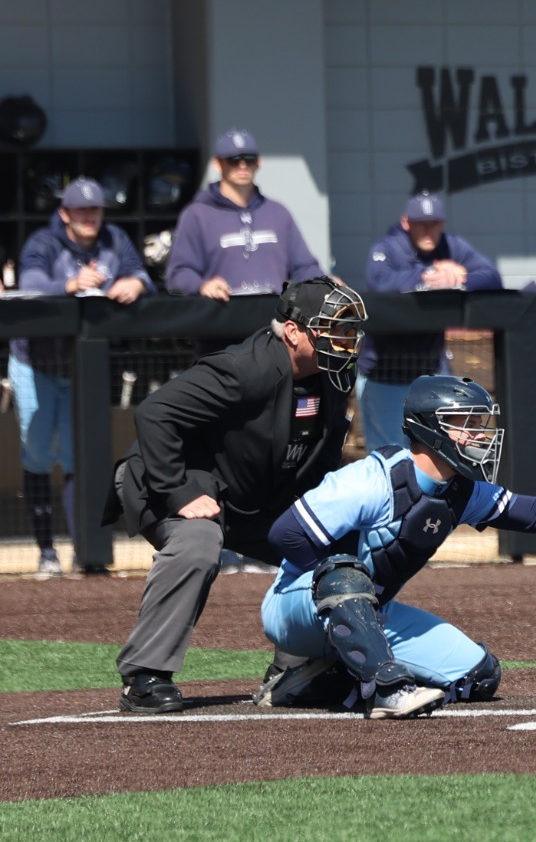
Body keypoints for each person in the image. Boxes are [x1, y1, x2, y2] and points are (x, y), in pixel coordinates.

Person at [254, 376, 536, 718]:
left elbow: (534, 513)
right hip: (295, 606)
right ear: (429, 428)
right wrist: (338, 582)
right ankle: (387, 691)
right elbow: (284, 533)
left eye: (481, 423)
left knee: (479, 676)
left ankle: (310, 683)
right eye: (466, 423)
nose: (480, 433)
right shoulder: (371, 479)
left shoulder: (461, 491)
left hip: (372, 614)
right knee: (346, 576)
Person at [106, 277, 367, 713]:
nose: (345, 340)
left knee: (337, 549)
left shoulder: (336, 375)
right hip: (170, 480)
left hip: (250, 495)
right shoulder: (246, 367)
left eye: (349, 330)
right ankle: (144, 677)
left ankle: (298, 667)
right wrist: (178, 491)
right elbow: (155, 414)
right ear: (293, 331)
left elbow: (317, 458)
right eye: (333, 328)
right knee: (199, 543)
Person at [11, 177, 153, 577]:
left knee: (80, 457)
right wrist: (70, 284)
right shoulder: (44, 241)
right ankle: (45, 552)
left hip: (79, 368)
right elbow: (31, 283)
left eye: (95, 209)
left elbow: (142, 272)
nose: (90, 217)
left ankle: (86, 553)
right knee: (38, 454)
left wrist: (134, 281)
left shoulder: (114, 239)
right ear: (65, 213)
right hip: (35, 362)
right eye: (81, 210)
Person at [358, 192, 502, 452]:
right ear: (406, 222)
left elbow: (492, 277)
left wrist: (462, 278)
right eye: (420, 223)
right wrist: (428, 275)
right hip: (385, 373)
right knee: (390, 456)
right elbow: (378, 282)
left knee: (438, 453)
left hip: (430, 373)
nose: (428, 230)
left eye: (433, 223)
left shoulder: (450, 246)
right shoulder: (389, 246)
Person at [164, 128, 325, 300]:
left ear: (259, 162)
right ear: (217, 164)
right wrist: (202, 285)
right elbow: (178, 275)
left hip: (273, 317)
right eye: (233, 160)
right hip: (223, 317)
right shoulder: (196, 215)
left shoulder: (279, 213)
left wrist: (325, 283)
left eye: (249, 159)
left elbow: (304, 267)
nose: (242, 165)